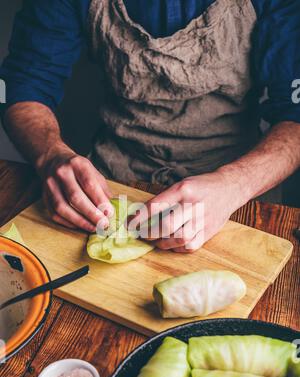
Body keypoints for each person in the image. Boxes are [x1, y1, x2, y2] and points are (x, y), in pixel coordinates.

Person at [1, 0, 300, 253]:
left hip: (240, 190)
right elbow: (19, 83)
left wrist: (233, 185)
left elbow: (295, 116)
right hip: (112, 182)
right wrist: (50, 155)